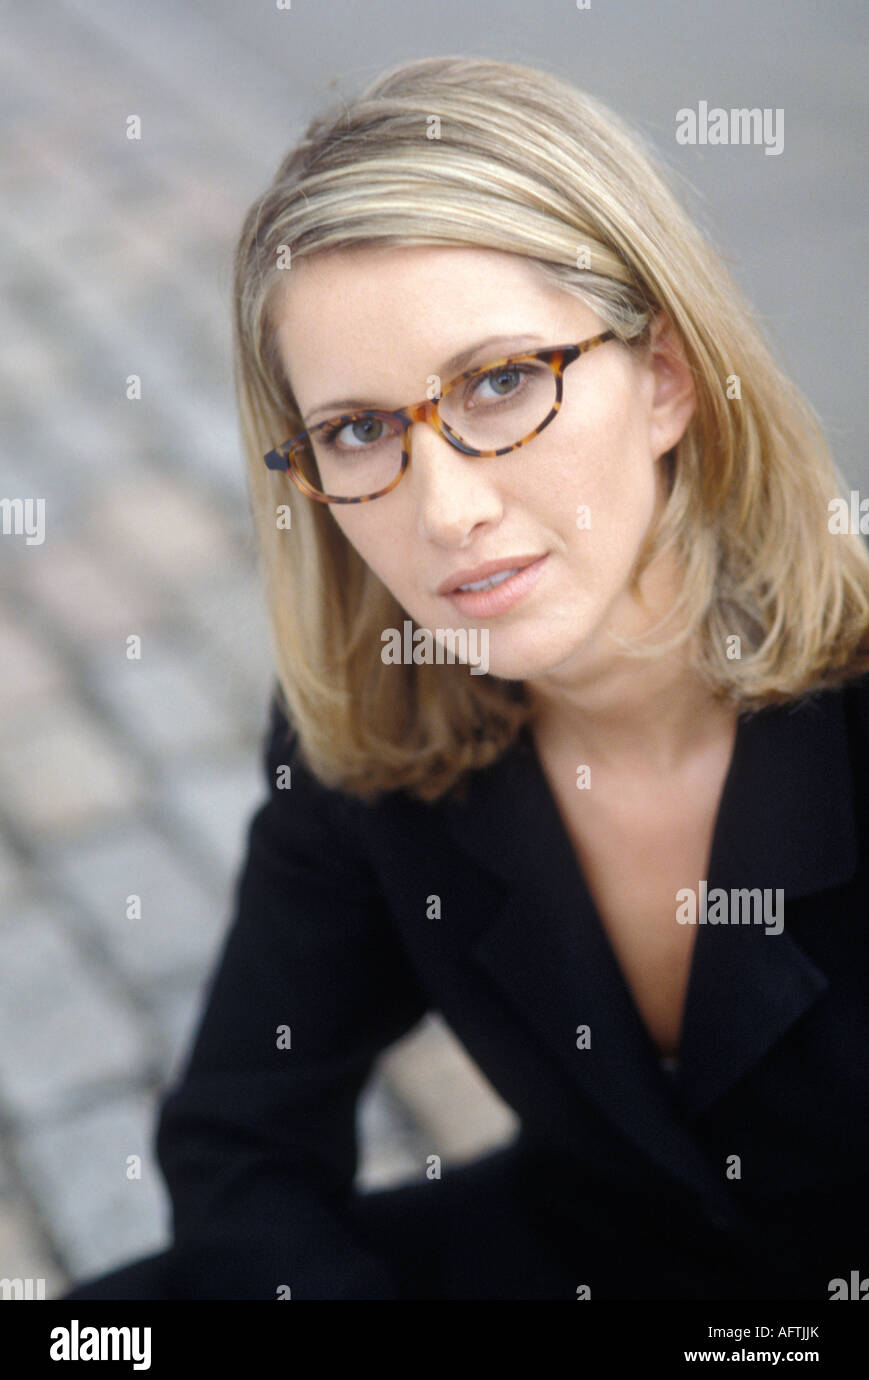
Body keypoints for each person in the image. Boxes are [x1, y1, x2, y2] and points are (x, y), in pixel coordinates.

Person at [62, 55, 869, 1301]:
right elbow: (243, 1136)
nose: (444, 511)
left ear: (663, 377)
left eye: (500, 383)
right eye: (360, 429)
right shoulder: (376, 727)